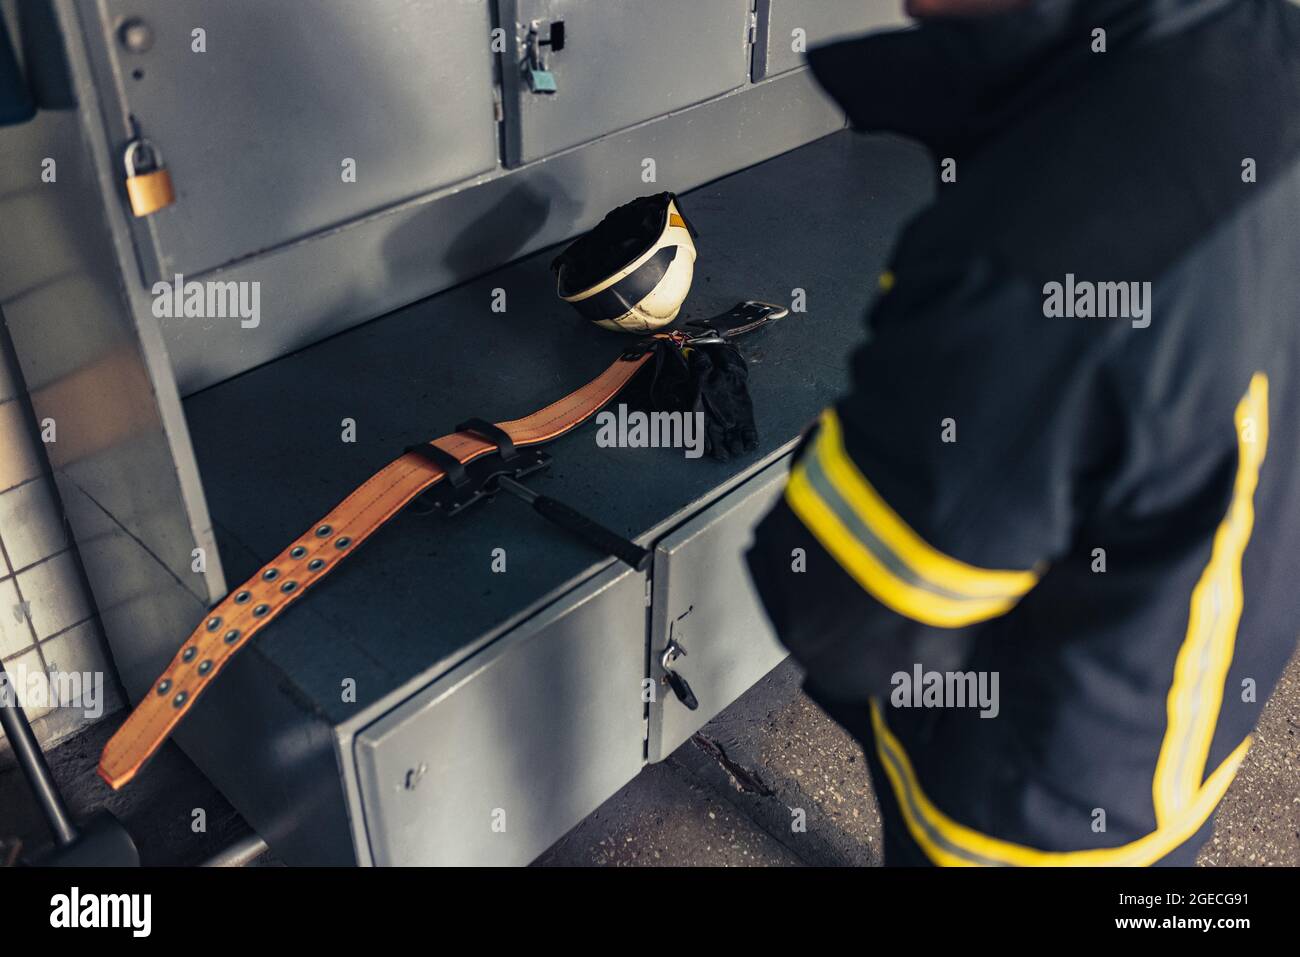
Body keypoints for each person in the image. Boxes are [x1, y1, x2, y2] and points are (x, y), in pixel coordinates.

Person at [745, 0, 1300, 865]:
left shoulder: (1052, 236)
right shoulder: (1266, 46)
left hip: (1035, 814)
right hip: (1190, 719)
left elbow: (852, 613)